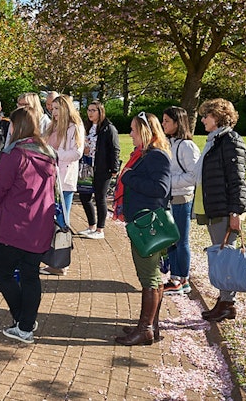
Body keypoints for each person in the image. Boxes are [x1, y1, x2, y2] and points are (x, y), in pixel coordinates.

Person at [0, 107, 57, 344]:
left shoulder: (16, 155)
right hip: (40, 225)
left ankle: (23, 320)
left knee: (1, 271)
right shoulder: (49, 154)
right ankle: (26, 323)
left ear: (17, 127)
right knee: (30, 276)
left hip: (14, 225)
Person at [113, 111, 172, 346]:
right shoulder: (147, 155)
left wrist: (128, 178)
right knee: (152, 277)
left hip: (148, 224)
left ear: (145, 131)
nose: (130, 134)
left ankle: (145, 329)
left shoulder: (156, 156)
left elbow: (160, 188)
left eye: (133, 130)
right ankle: (150, 326)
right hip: (142, 221)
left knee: (149, 278)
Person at [195, 98, 246, 322]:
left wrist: (236, 211)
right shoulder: (215, 141)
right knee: (222, 256)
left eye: (206, 116)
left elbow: (237, 179)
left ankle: (228, 304)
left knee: (226, 257)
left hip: (225, 209)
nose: (202, 120)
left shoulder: (230, 141)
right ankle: (224, 301)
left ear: (217, 117)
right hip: (215, 207)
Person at [40, 94, 84, 276]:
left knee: (62, 221)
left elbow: (77, 153)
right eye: (53, 108)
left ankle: (61, 263)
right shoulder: (52, 126)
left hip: (64, 180)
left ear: (66, 109)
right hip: (48, 178)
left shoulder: (75, 127)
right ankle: (51, 258)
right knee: (48, 219)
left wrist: (55, 153)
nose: (54, 111)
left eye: (57, 108)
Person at [161, 106, 201, 295]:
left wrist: (168, 181)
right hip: (169, 197)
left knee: (181, 240)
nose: (163, 124)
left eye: (167, 121)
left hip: (182, 198)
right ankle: (174, 278)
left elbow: (194, 175)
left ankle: (182, 279)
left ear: (178, 123)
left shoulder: (187, 146)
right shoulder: (168, 143)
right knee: (172, 239)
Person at [78, 101, 121, 239]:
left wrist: (114, 168)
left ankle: (100, 229)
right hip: (86, 167)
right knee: (84, 196)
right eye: (88, 110)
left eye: (93, 110)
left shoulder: (108, 128)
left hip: (102, 168)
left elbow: (115, 149)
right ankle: (91, 225)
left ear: (100, 111)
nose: (90, 113)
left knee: (100, 197)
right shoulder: (86, 127)